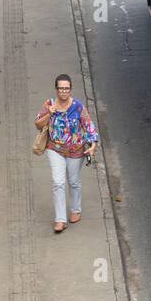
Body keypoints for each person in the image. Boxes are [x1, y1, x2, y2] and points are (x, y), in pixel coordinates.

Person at [34, 75, 99, 233]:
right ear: (56, 89)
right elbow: (37, 124)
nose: (64, 91)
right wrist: (49, 113)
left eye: (67, 88)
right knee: (58, 182)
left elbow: (89, 126)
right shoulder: (49, 104)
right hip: (54, 149)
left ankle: (75, 209)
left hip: (75, 151)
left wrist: (93, 145)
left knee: (74, 181)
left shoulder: (77, 107)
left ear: (70, 89)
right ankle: (60, 220)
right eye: (61, 88)